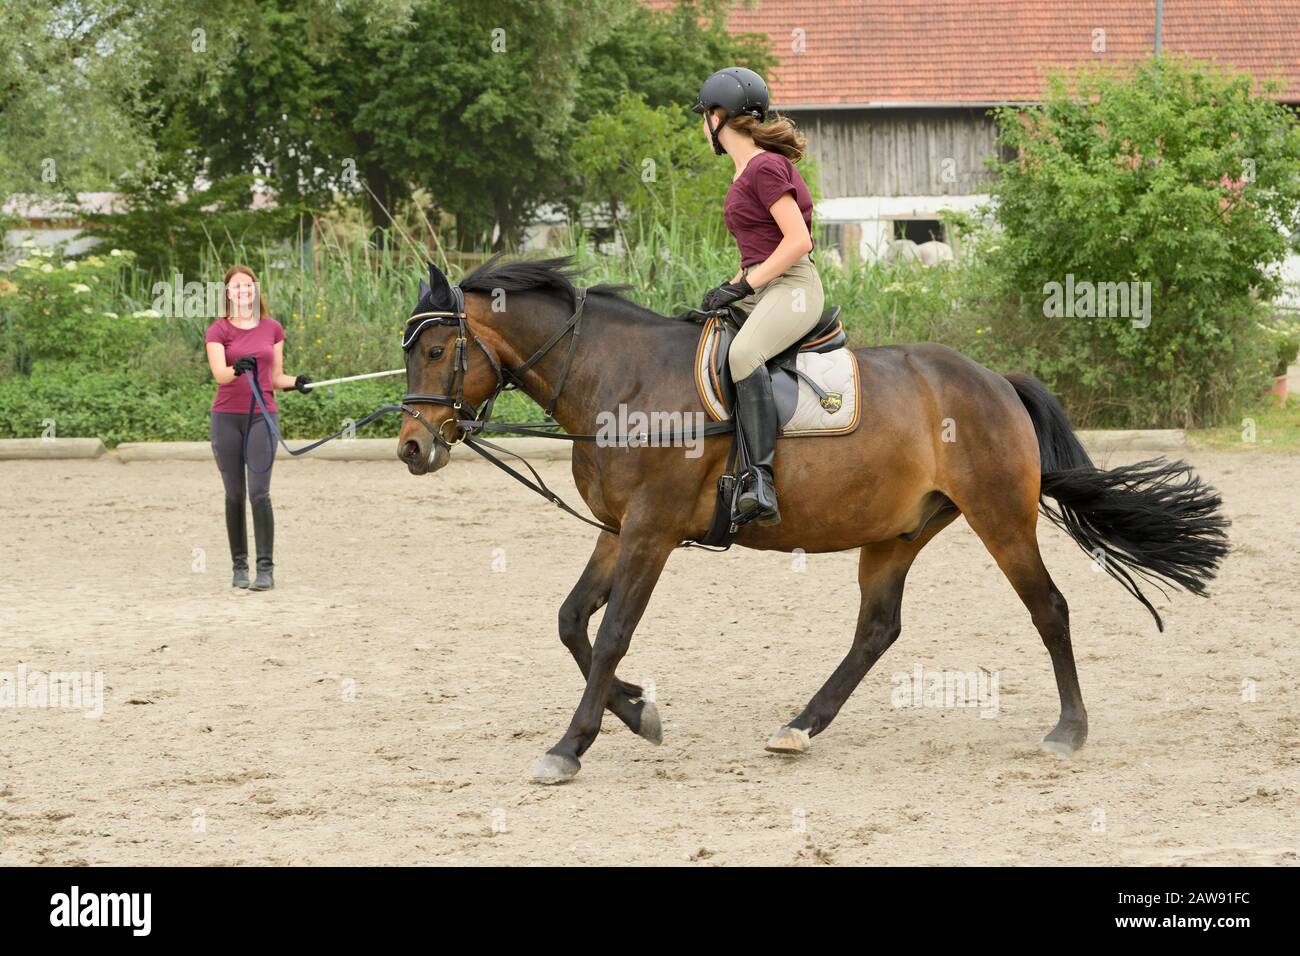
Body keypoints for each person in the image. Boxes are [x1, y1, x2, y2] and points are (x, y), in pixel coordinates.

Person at [694, 67, 824, 527]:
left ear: (718, 116)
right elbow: (757, 250)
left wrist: (744, 286)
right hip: (763, 285)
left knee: (745, 353)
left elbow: (796, 242)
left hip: (792, 287)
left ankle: (760, 479)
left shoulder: (766, 166)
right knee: (698, 335)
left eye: (703, 116)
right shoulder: (743, 173)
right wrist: (727, 288)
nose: (701, 126)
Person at [203, 265, 311, 590]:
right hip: (227, 418)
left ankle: (266, 570)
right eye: (236, 288)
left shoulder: (272, 329)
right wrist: (238, 368)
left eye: (247, 287)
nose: (242, 292)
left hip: (263, 416)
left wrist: (299, 383)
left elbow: (276, 378)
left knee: (259, 493)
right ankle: (240, 567)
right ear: (227, 293)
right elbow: (220, 374)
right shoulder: (218, 331)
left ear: (255, 290)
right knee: (234, 494)